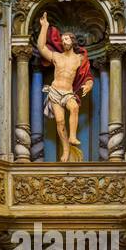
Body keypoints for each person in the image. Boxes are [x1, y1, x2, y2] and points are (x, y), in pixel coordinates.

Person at [36, 11, 93, 162]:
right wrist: (44, 26)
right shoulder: (57, 57)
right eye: (62, 39)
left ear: (73, 41)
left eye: (66, 39)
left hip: (68, 92)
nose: (64, 41)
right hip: (55, 91)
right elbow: (41, 47)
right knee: (60, 121)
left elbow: (87, 75)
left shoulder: (79, 59)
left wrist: (89, 84)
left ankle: (73, 136)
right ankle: (66, 150)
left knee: (74, 107)